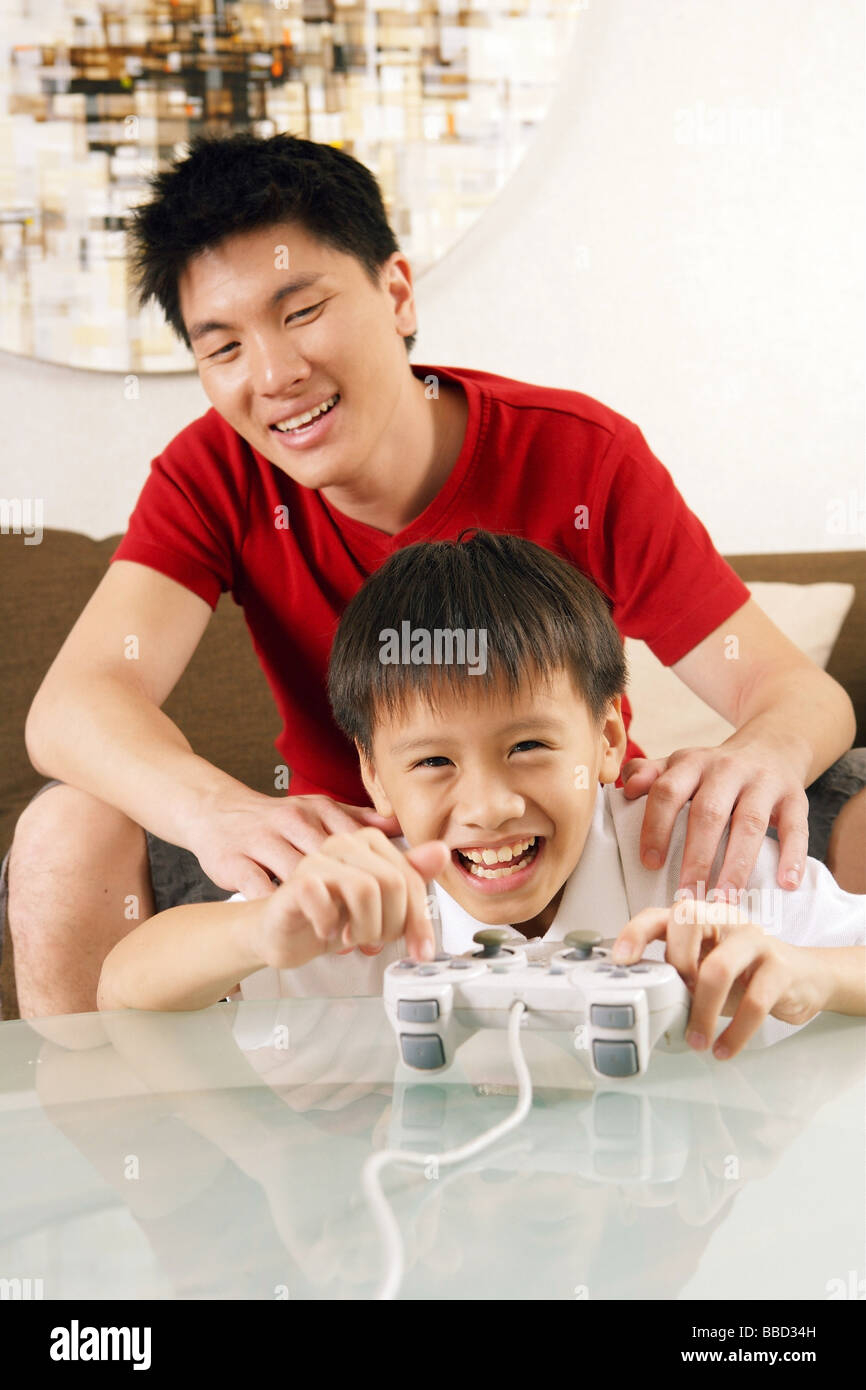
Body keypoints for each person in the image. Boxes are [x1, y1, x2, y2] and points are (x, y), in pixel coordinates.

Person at [8, 132, 864, 1020]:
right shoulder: (214, 472)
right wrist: (220, 814)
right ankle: (95, 1108)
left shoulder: (576, 453)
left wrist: (760, 755)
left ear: (396, 293)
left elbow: (795, 693)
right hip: (339, 876)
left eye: (301, 311)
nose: (274, 375)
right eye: (222, 348)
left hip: (576, 854)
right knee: (65, 827)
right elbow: (74, 706)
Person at [97, 532, 866, 1061]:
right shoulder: (366, 889)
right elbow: (123, 989)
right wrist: (260, 931)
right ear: (373, 775)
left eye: (528, 747)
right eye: (433, 761)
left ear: (607, 738)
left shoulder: (691, 859)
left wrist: (811, 972)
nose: (490, 806)